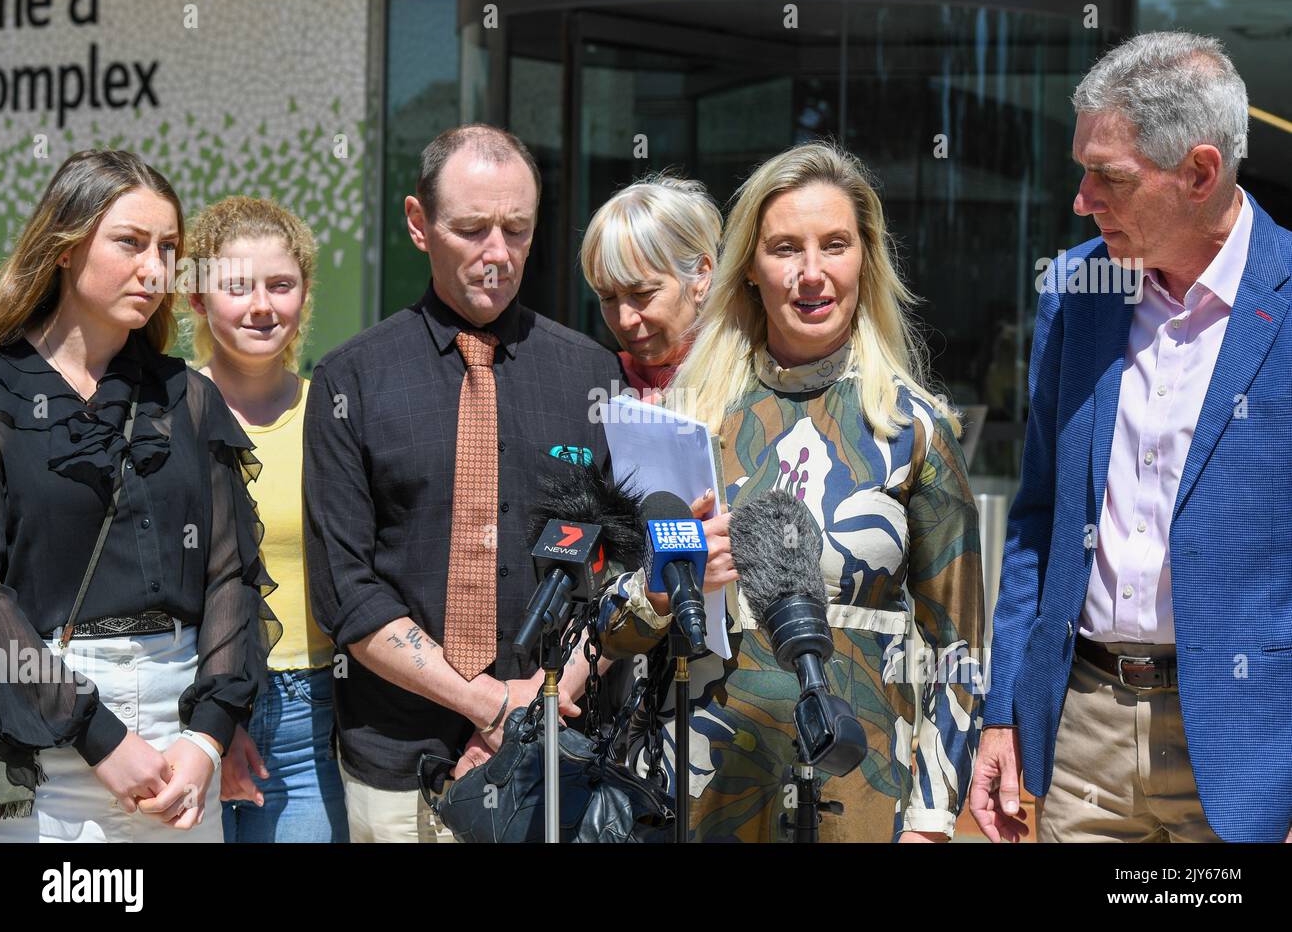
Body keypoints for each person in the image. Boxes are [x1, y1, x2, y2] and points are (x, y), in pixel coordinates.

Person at [597, 141, 986, 842]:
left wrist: (931, 819)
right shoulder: (691, 421)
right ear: (748, 265)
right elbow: (611, 629)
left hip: (866, 803)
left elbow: (957, 649)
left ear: (864, 259)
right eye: (784, 248)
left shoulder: (912, 427)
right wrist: (661, 592)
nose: (812, 274)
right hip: (704, 800)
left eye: (834, 245)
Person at [971, 31, 1292, 844]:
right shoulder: (1081, 290)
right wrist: (1005, 712)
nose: (1081, 198)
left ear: (1200, 173)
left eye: (1107, 176)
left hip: (1252, 746)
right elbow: (1038, 520)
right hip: (1084, 739)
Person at [303, 123, 626, 842]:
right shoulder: (349, 379)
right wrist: (485, 702)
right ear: (419, 225)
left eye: (517, 230)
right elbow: (345, 590)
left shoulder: (592, 377)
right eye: (472, 229)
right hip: (395, 761)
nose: (497, 255)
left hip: (557, 751)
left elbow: (616, 568)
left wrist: (535, 706)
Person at [0, 149, 278, 842]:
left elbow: (230, 576)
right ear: (64, 246)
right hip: (43, 735)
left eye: (169, 248)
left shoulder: (187, 397)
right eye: (129, 242)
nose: (156, 269)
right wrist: (99, 737)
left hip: (182, 740)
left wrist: (207, 738)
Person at [184, 196, 349, 842]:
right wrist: (211, 724)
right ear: (197, 300)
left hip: (307, 713)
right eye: (237, 287)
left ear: (304, 297)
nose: (261, 306)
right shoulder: (164, 416)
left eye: (281, 285)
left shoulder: (335, 416)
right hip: (185, 710)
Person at [580, 174, 720, 403]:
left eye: (642, 294)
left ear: (700, 275)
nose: (625, 320)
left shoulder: (751, 381)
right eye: (607, 298)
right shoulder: (596, 383)